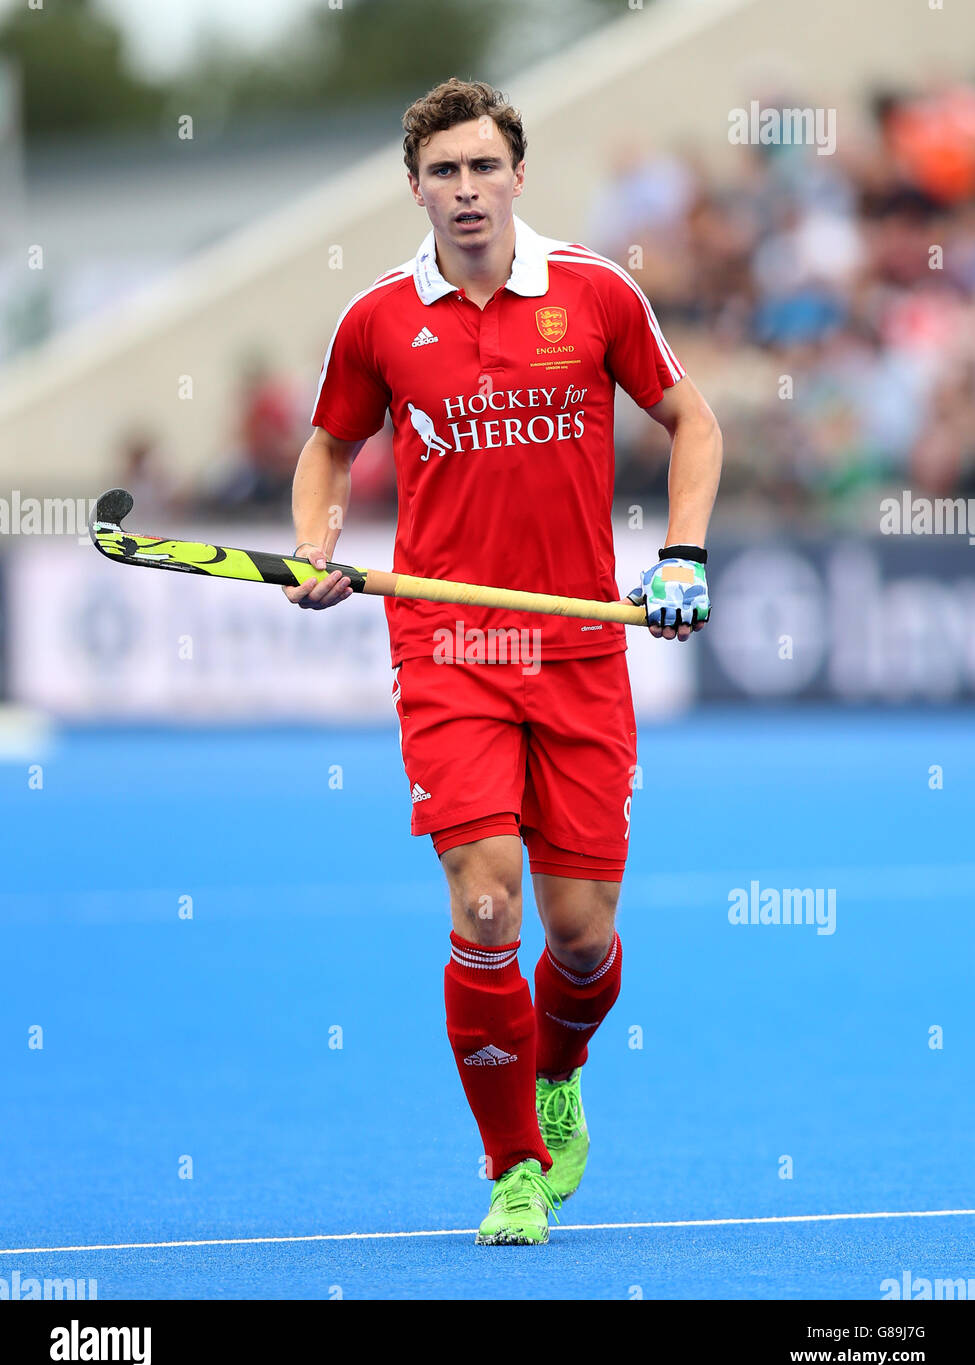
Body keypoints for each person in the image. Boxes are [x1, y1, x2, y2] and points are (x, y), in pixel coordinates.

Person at [283, 78, 721, 1245]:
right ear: (416, 186)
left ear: (518, 176)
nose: (467, 191)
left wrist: (681, 554)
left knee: (579, 937)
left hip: (579, 640)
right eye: (445, 173)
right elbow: (329, 448)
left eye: (485, 169)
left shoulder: (594, 293)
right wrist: (317, 547)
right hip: (448, 646)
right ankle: (512, 1163)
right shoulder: (379, 319)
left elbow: (696, 421)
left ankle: (559, 1068)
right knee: (486, 904)